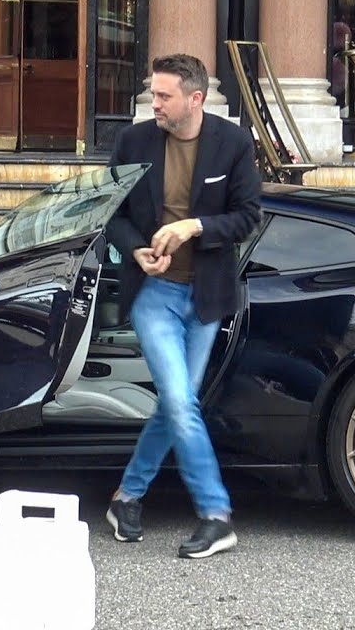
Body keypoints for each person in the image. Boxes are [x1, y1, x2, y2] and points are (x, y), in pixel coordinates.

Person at [102, 53, 262, 559]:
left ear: (194, 99)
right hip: (155, 295)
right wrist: (136, 249)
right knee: (180, 402)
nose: (155, 104)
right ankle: (216, 515)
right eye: (154, 94)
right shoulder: (134, 142)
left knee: (177, 406)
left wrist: (194, 226)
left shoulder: (233, 143)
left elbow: (247, 217)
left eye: (164, 96)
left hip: (207, 296)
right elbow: (113, 214)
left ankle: (127, 496)